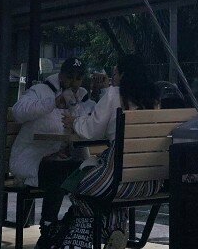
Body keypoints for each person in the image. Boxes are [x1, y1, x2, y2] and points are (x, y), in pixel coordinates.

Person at [50, 54, 160, 249]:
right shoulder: (153, 97)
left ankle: (108, 231)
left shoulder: (113, 94)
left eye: (115, 72)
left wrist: (73, 122)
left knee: (75, 187)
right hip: (148, 181)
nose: (113, 77)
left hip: (115, 179)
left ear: (123, 74)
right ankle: (116, 229)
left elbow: (92, 130)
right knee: (107, 194)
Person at [9, 57, 90, 247]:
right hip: (30, 160)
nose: (73, 82)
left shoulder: (82, 99)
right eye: (70, 77)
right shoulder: (40, 91)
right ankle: (48, 229)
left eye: (78, 78)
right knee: (61, 174)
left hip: (60, 161)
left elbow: (95, 120)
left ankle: (71, 226)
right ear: (61, 76)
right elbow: (18, 112)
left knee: (86, 173)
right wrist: (52, 103)